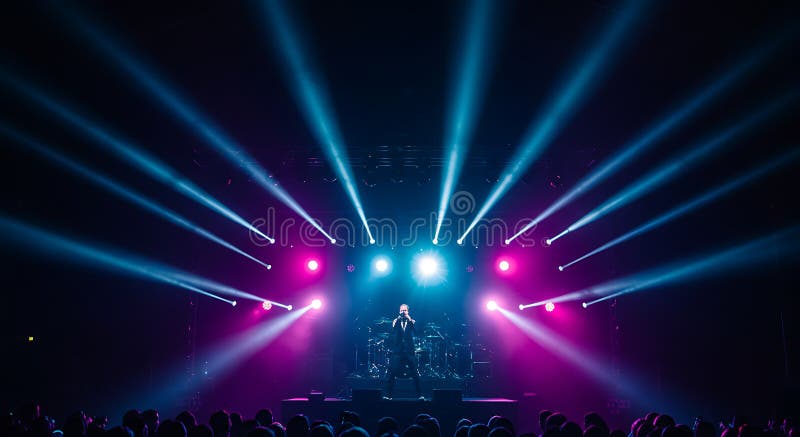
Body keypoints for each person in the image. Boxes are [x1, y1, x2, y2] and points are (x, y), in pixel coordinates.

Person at [383, 304, 423, 400]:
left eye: (405, 310)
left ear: (408, 312)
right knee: (391, 372)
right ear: (399, 311)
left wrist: (410, 320)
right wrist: (393, 323)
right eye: (401, 310)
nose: (403, 312)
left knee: (415, 373)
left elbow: (417, 332)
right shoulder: (395, 321)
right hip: (398, 351)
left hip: (409, 351)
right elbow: (390, 333)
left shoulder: (411, 321)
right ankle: (388, 395)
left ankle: (420, 395)